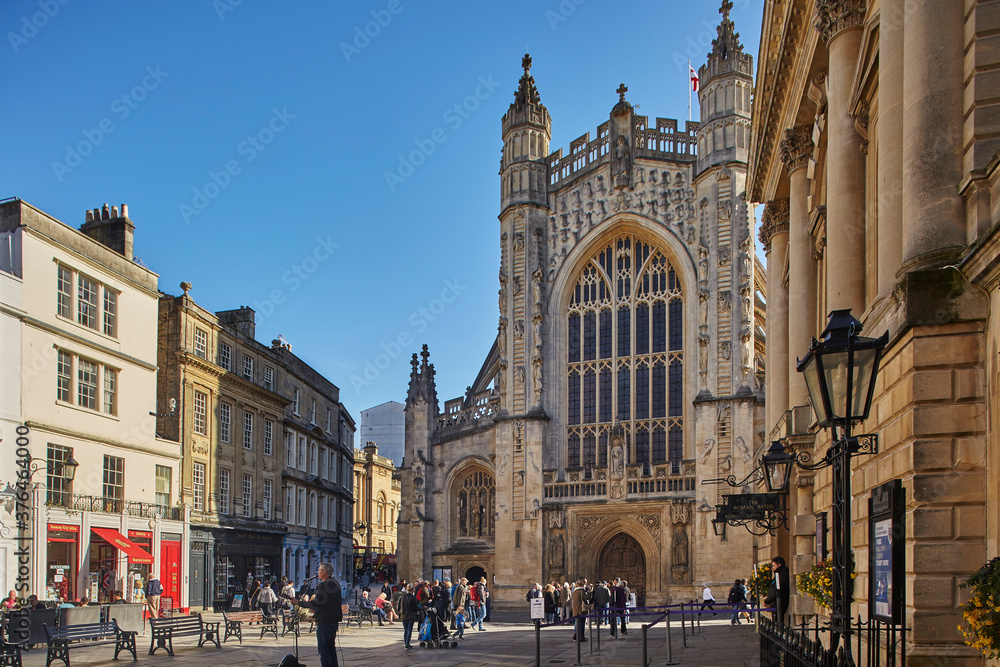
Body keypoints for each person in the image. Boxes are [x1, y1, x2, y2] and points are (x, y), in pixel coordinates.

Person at [288, 562, 342, 667]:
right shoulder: (336, 583)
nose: (318, 572)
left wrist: (298, 603)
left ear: (324, 572)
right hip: (333, 620)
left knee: (324, 650)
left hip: (324, 621)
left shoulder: (324, 585)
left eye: (319, 570)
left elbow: (316, 603)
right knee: (331, 648)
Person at [766, 556, 790, 625]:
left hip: (780, 601)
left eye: (774, 565)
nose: (772, 567)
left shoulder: (782, 574)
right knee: (775, 620)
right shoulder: (778, 574)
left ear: (779, 565)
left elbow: (778, 590)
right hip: (775, 602)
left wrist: (768, 600)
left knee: (778, 620)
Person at [398, 583, 418, 649]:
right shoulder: (413, 597)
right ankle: (407, 643)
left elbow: (398, 606)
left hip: (403, 614)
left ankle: (406, 643)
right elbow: (415, 607)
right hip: (410, 615)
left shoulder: (402, 596)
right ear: (413, 590)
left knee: (405, 629)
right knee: (409, 629)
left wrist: (399, 614)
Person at [571, 577, 590, 642]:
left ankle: (576, 636)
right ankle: (581, 637)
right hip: (581, 610)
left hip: (576, 610)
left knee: (578, 624)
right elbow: (587, 597)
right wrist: (589, 591)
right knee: (581, 624)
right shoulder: (581, 591)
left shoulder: (575, 591)